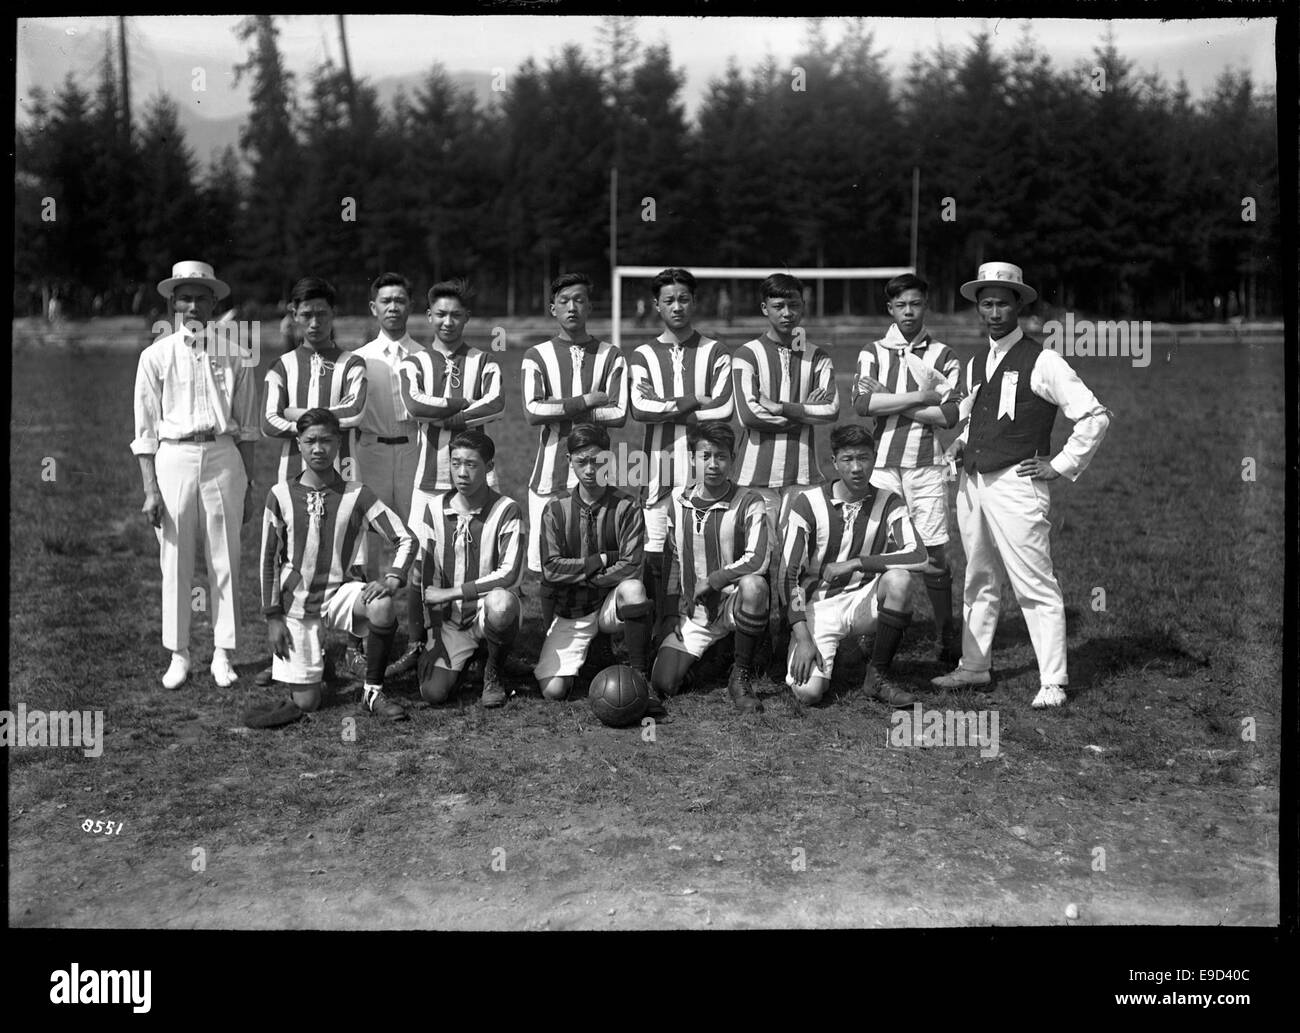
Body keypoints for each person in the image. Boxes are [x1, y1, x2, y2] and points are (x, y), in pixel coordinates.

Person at [932, 262, 1111, 709]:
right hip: (973, 483)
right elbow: (979, 415)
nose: (993, 313)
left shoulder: (1043, 359)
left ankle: (1053, 681)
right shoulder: (976, 361)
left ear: (1019, 306)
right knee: (978, 576)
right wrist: (960, 443)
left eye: (1002, 304)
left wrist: (1061, 464)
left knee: (1033, 582)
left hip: (1017, 482)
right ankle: (974, 665)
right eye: (986, 304)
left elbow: (1094, 416)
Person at [131, 259, 259, 690]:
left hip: (223, 456)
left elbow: (247, 429)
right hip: (175, 458)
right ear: (172, 303)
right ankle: (179, 653)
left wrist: (250, 485)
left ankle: (224, 652)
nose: (192, 306)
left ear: (213, 303)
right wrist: (150, 489)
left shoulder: (237, 354)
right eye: (184, 298)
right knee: (175, 558)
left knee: (226, 557)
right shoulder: (155, 356)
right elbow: (145, 432)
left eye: (201, 298)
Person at [260, 408, 413, 720]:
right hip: (297, 603)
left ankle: (372, 691)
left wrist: (392, 579)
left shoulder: (357, 494)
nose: (318, 448)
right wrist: (273, 618)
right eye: (310, 441)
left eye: (326, 441)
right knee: (307, 703)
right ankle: (320, 661)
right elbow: (268, 561)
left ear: (338, 443)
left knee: (382, 605)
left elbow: (405, 538)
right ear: (298, 444)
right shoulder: (279, 495)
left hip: (341, 594)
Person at [386, 278, 504, 679]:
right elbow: (415, 405)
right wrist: (465, 406)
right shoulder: (414, 362)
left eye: (455, 314)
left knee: (486, 559)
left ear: (467, 317)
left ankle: (488, 646)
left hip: (478, 477)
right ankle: (417, 643)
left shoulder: (485, 361)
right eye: (440, 314)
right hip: (430, 478)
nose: (448, 322)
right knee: (421, 563)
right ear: (428, 316)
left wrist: (448, 416)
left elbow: (497, 403)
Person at [260, 276, 369, 680]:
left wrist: (297, 415)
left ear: (333, 314)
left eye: (322, 313)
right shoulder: (282, 366)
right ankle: (289, 649)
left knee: (351, 552)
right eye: (306, 314)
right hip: (294, 471)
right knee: (292, 558)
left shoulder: (352, 362)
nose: (314, 322)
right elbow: (268, 421)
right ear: (293, 315)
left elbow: (355, 412)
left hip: (343, 471)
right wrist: (322, 420)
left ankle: (354, 647)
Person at [852, 272, 963, 664]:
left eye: (915, 303)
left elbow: (949, 416)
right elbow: (862, 405)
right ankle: (871, 631)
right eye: (901, 305)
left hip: (927, 465)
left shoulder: (944, 355)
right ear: (890, 308)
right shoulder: (872, 351)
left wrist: (891, 399)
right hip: (882, 463)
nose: (909, 311)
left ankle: (945, 634)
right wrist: (921, 397)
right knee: (878, 547)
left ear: (925, 305)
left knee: (933, 552)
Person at [731, 272, 839, 659]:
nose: (787, 312)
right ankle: (754, 639)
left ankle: (790, 632)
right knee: (757, 560)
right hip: (755, 477)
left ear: (803, 306)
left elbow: (831, 410)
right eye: (778, 305)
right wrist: (802, 414)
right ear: (765, 309)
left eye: (793, 304)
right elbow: (747, 414)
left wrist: (778, 407)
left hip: (803, 477)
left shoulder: (818, 356)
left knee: (797, 561)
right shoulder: (746, 355)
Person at [781, 424, 928, 707]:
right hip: (819, 605)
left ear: (875, 459)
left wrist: (857, 563)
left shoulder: (890, 502)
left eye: (864, 458)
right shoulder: (808, 502)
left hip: (864, 597)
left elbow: (919, 555)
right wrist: (803, 638)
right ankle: (836, 650)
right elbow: (788, 578)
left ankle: (878, 675)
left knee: (900, 580)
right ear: (834, 462)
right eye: (848, 459)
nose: (857, 468)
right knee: (808, 693)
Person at [627, 267, 734, 642]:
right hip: (657, 470)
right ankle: (658, 631)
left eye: (684, 299)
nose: (677, 306)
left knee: (704, 551)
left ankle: (710, 630)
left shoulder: (715, 351)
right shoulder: (642, 355)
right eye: (669, 300)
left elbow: (724, 409)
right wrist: (696, 400)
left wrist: (665, 404)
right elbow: (640, 409)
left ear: (695, 302)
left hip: (703, 471)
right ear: (656, 305)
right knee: (656, 554)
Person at [520, 273, 628, 628]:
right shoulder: (536, 355)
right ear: (552, 308)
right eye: (564, 301)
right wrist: (587, 401)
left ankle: (597, 637)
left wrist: (560, 406)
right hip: (549, 474)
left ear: (590, 307)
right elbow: (532, 411)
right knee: (550, 563)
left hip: (595, 472)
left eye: (579, 300)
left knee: (597, 556)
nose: (572, 307)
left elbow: (619, 413)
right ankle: (551, 636)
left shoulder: (611, 355)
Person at [534, 424, 660, 711]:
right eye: (582, 462)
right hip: (572, 611)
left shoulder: (627, 506)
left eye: (597, 461)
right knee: (553, 691)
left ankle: (640, 677)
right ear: (569, 461)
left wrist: (585, 578)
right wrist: (602, 560)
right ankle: (594, 651)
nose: (590, 469)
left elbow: (631, 566)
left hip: (610, 604)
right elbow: (550, 569)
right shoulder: (555, 508)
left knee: (633, 589)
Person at [651, 422, 770, 713]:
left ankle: (740, 676)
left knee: (755, 586)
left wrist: (715, 580)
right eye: (705, 456)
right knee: (664, 683)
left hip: (733, 602)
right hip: (696, 612)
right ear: (693, 458)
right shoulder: (677, 501)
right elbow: (673, 558)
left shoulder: (749, 501)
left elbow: (758, 559)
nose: (713, 464)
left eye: (721, 457)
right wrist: (670, 612)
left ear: (733, 459)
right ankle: (718, 659)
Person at [414, 429, 524, 709]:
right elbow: (427, 578)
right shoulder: (434, 508)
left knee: (502, 604)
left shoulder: (507, 509)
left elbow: (509, 574)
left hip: (488, 610)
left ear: (489, 467)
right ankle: (467, 661)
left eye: (471, 464)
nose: (462, 473)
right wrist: (434, 637)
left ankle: (493, 672)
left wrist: (452, 592)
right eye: (455, 463)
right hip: (452, 621)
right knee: (432, 693)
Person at [353, 272, 422, 608]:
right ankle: (371, 620)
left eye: (399, 300)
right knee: (369, 534)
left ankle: (422, 622)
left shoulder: (425, 356)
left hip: (414, 448)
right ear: (373, 307)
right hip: (371, 450)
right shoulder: (360, 358)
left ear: (410, 306)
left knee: (419, 531)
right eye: (386, 301)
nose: (393, 307)